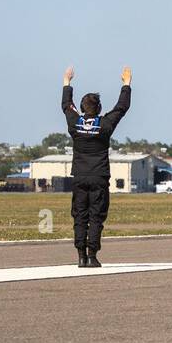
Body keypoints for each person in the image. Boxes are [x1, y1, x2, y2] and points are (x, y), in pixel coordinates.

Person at [62, 65, 131, 267]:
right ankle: (92, 255)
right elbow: (121, 108)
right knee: (96, 216)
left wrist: (67, 82)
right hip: (99, 177)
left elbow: (66, 106)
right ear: (99, 109)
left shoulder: (75, 123)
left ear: (82, 108)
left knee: (80, 216)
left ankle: (81, 256)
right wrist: (126, 84)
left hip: (79, 177)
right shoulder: (105, 124)